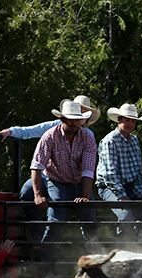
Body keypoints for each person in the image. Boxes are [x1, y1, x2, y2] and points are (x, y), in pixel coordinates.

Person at [0, 95, 101, 202]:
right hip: (48, 176)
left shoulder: (88, 136)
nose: (78, 116)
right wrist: (10, 131)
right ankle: (33, 216)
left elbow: (88, 169)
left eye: (82, 113)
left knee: (73, 204)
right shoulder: (54, 129)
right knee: (26, 193)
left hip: (74, 180)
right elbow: (31, 131)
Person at [30, 99, 98, 247]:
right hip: (57, 180)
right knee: (57, 218)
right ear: (62, 119)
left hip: (80, 181)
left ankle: (93, 253)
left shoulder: (88, 137)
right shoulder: (50, 136)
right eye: (70, 120)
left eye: (77, 120)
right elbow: (37, 165)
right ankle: (46, 257)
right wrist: (37, 194)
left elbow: (88, 169)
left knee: (89, 218)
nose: (74, 123)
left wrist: (85, 196)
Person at [96, 102, 142, 224]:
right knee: (126, 215)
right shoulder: (110, 141)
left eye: (133, 121)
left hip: (130, 186)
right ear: (119, 120)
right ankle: (122, 243)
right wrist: (122, 196)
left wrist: (139, 192)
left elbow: (138, 171)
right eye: (128, 120)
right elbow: (110, 174)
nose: (131, 123)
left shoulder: (134, 140)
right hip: (108, 187)